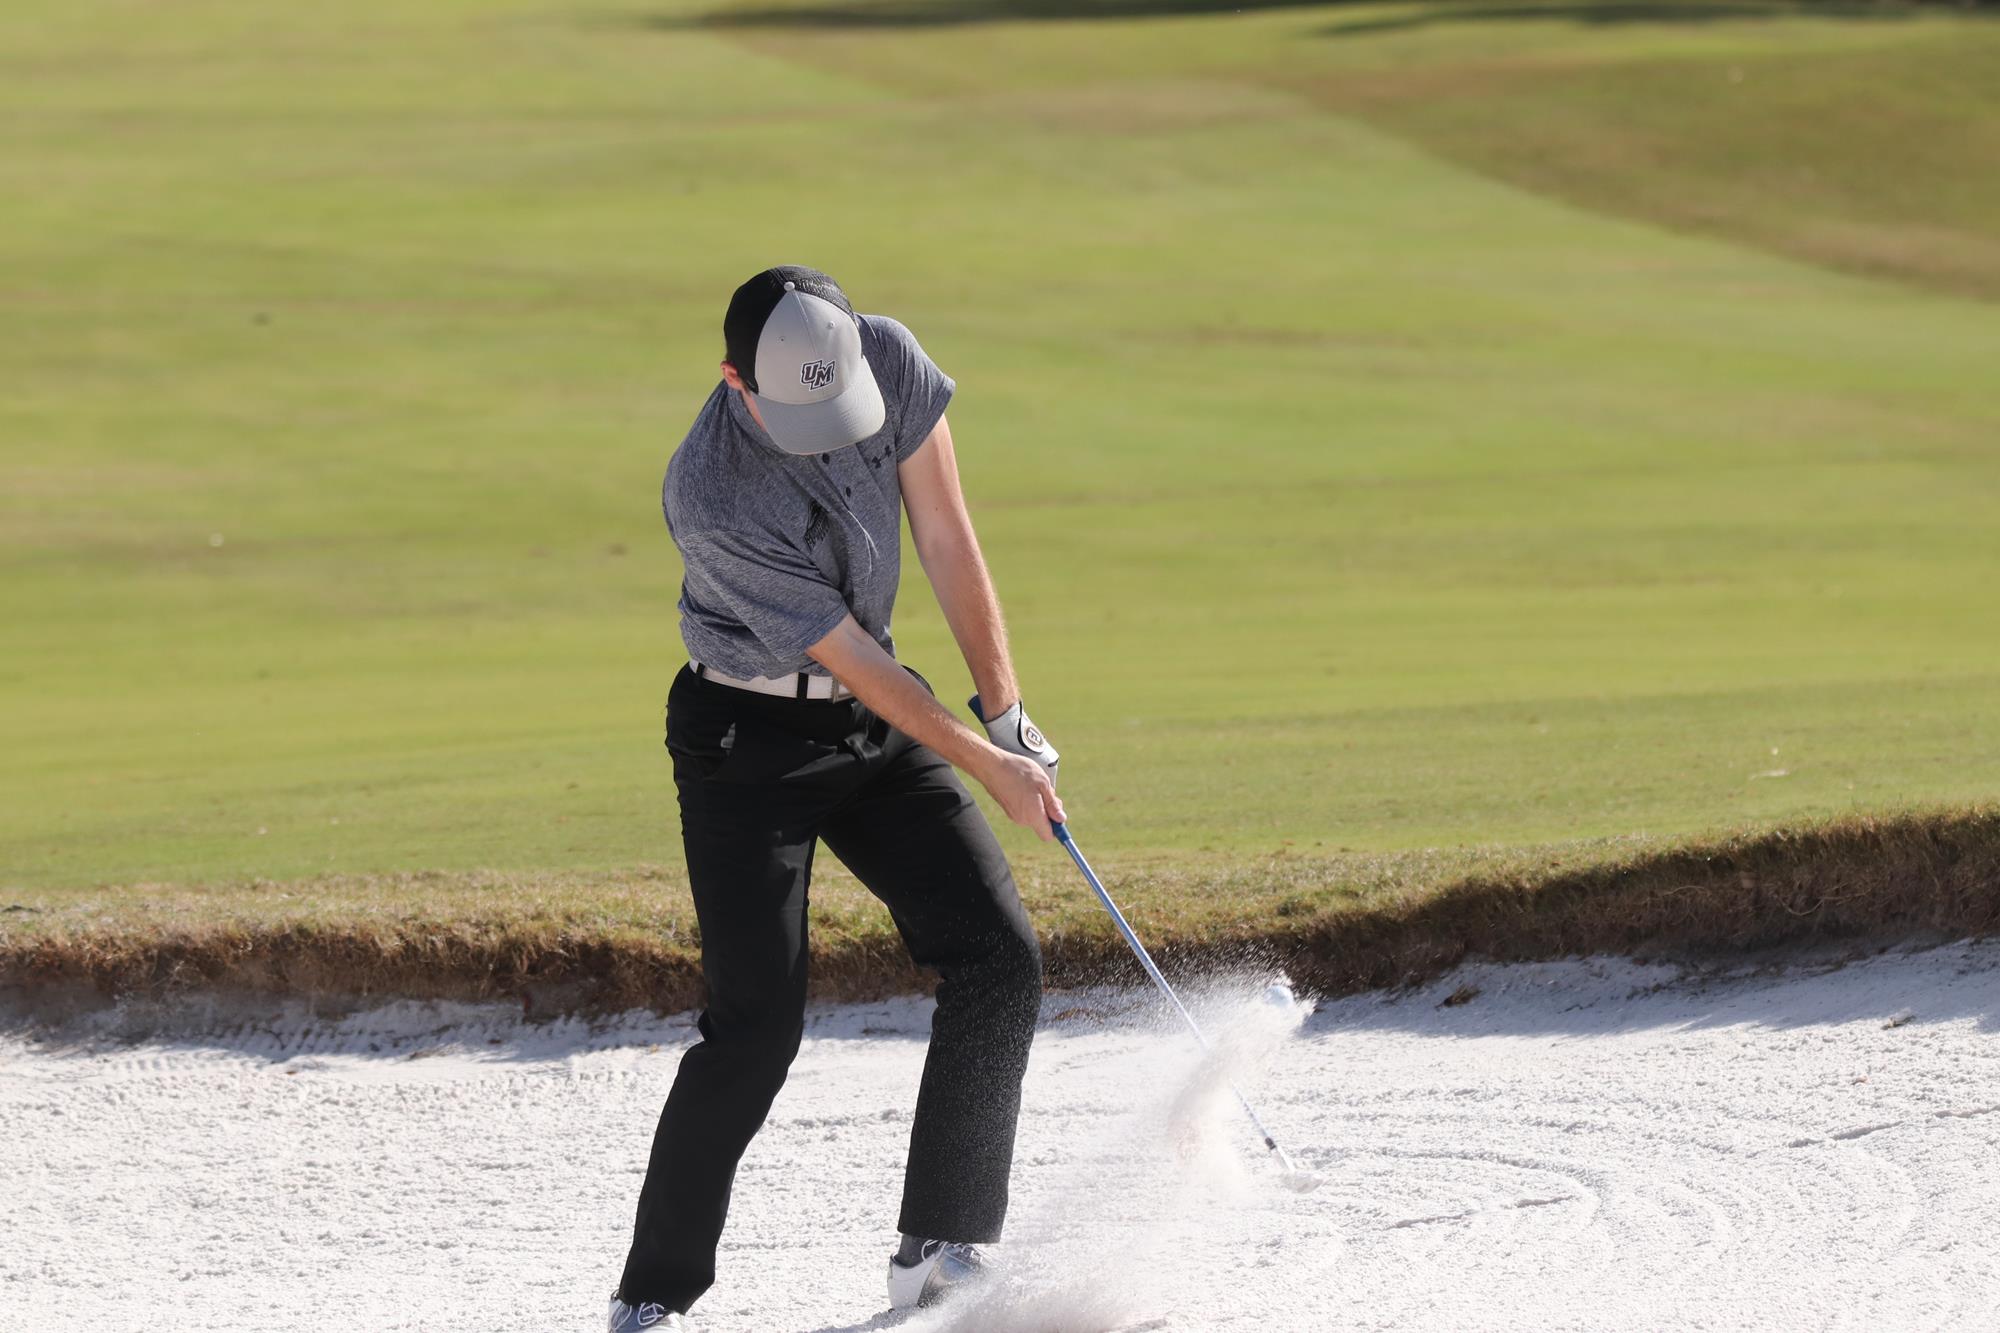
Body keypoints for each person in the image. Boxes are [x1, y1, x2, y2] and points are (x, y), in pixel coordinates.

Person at [608, 266, 1065, 1333]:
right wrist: (990, 774)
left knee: (997, 957)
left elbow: (947, 537)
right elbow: (857, 661)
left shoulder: (887, 357)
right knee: (755, 1030)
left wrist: (1005, 715)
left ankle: (939, 1250)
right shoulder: (707, 492)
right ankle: (651, 1297)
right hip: (745, 742)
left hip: (871, 727)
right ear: (734, 382)